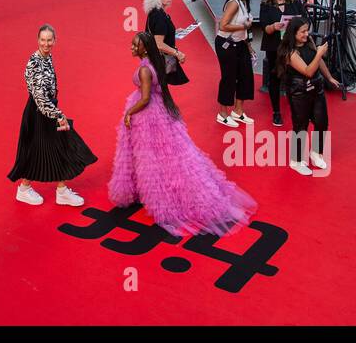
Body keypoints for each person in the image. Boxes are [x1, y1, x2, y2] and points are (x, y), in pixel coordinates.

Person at [109, 32, 257, 236]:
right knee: (163, 153)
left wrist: (129, 112)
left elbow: (144, 99)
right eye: (132, 44)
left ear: (145, 48)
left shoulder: (144, 69)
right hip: (159, 110)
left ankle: (158, 194)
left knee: (149, 155)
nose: (132, 47)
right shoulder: (155, 61)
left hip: (147, 115)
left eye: (136, 45)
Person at [8, 25, 97, 206]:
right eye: (43, 40)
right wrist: (58, 115)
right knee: (56, 146)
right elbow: (39, 97)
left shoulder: (47, 58)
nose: (46, 44)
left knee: (47, 148)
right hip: (39, 112)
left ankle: (49, 189)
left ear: (55, 41)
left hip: (46, 110)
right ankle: (37, 190)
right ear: (37, 40)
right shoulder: (34, 62)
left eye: (49, 40)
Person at [278, 18, 340, 176]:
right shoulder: (289, 52)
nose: (307, 34)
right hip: (299, 92)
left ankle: (315, 153)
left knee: (322, 122)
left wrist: (329, 78)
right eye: (303, 32)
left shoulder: (309, 41)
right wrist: (319, 53)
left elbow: (318, 63)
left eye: (307, 30)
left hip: (316, 88)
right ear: (294, 33)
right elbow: (308, 71)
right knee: (301, 126)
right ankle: (296, 160)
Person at [258, 0, 304, 128]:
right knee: (275, 78)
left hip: (292, 46)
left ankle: (297, 107)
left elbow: (305, 20)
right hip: (274, 47)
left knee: (294, 76)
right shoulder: (266, 5)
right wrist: (274, 26)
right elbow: (264, 27)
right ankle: (276, 112)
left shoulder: (295, 3)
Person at [215, 0, 256, 127]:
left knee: (246, 76)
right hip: (226, 44)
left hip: (240, 43)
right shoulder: (234, 3)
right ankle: (222, 113)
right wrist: (244, 26)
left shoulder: (244, 2)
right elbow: (223, 25)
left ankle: (238, 111)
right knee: (229, 78)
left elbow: (243, 29)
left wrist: (249, 45)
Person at [142, 0, 189, 89]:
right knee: (160, 87)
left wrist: (174, 32)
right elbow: (159, 44)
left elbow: (157, 32)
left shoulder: (155, 12)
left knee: (160, 86)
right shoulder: (160, 17)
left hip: (156, 57)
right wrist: (177, 53)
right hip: (161, 59)